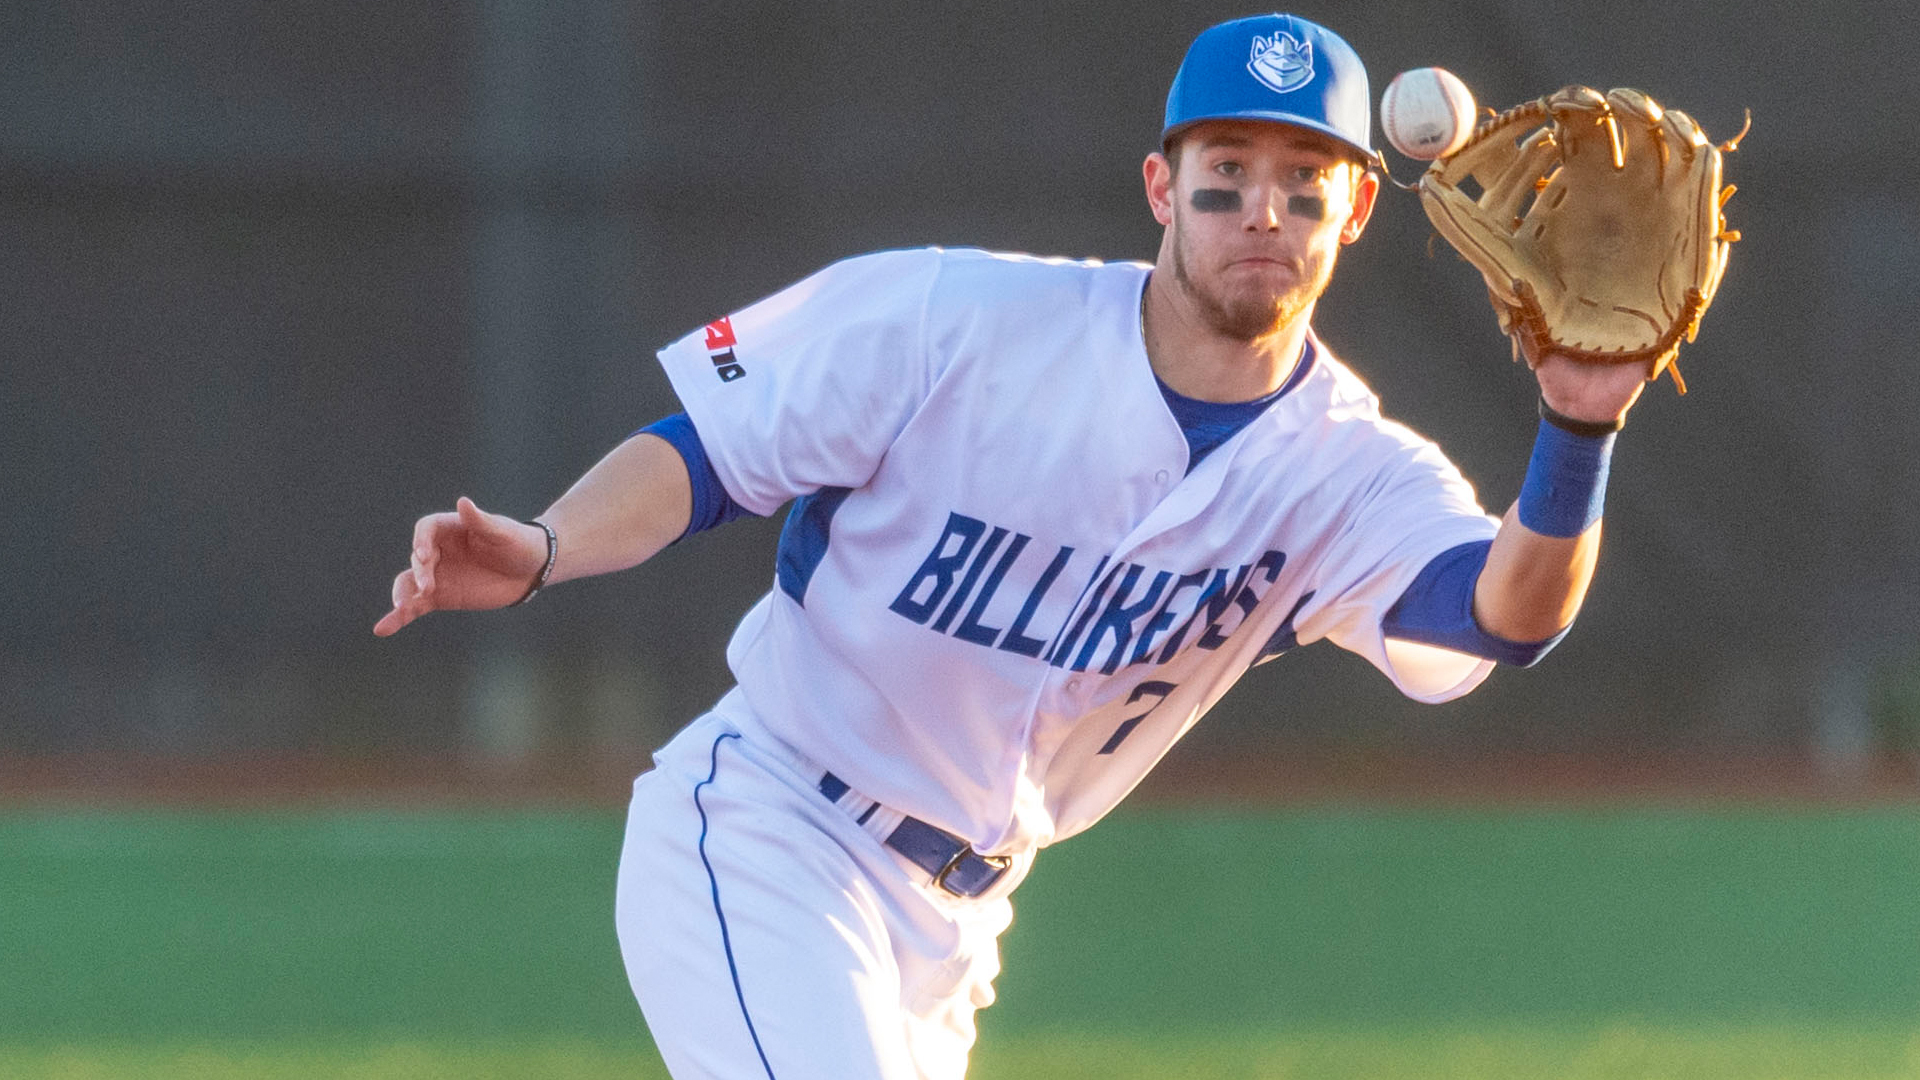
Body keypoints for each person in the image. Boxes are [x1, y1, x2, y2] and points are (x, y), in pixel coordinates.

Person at [375, 14, 1647, 1080]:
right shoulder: (956, 317)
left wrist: (1577, 430)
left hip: (958, 928)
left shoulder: (1347, 469)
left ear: (1357, 206)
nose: (1263, 205)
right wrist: (547, 546)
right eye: (1227, 167)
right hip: (770, 830)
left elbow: (1500, 616)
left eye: (1305, 176)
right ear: (1163, 186)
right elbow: (706, 450)